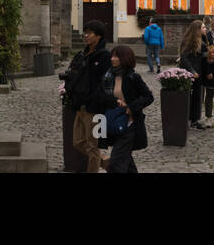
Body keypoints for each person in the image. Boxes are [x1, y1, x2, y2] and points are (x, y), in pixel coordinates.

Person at [62, 19, 112, 172]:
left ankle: (97, 164)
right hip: (79, 103)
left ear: (98, 36)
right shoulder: (83, 53)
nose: (85, 35)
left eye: (89, 33)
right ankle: (106, 162)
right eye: (85, 32)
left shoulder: (104, 56)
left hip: (94, 106)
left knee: (92, 145)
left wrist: (96, 98)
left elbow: (105, 81)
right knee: (77, 142)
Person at [93, 45, 153, 173]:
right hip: (112, 122)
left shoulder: (133, 77)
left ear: (124, 58)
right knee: (125, 160)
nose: (112, 59)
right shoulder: (107, 76)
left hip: (129, 124)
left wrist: (131, 107)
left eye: (116, 56)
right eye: (112, 56)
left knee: (115, 162)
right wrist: (114, 101)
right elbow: (99, 96)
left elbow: (148, 97)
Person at [179, 19, 208, 132]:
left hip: (199, 74)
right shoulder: (188, 42)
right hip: (189, 74)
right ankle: (187, 119)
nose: (206, 29)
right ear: (197, 30)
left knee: (198, 98)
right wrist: (192, 71)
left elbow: (204, 58)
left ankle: (195, 120)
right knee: (188, 97)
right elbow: (184, 58)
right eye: (203, 27)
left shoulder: (203, 41)